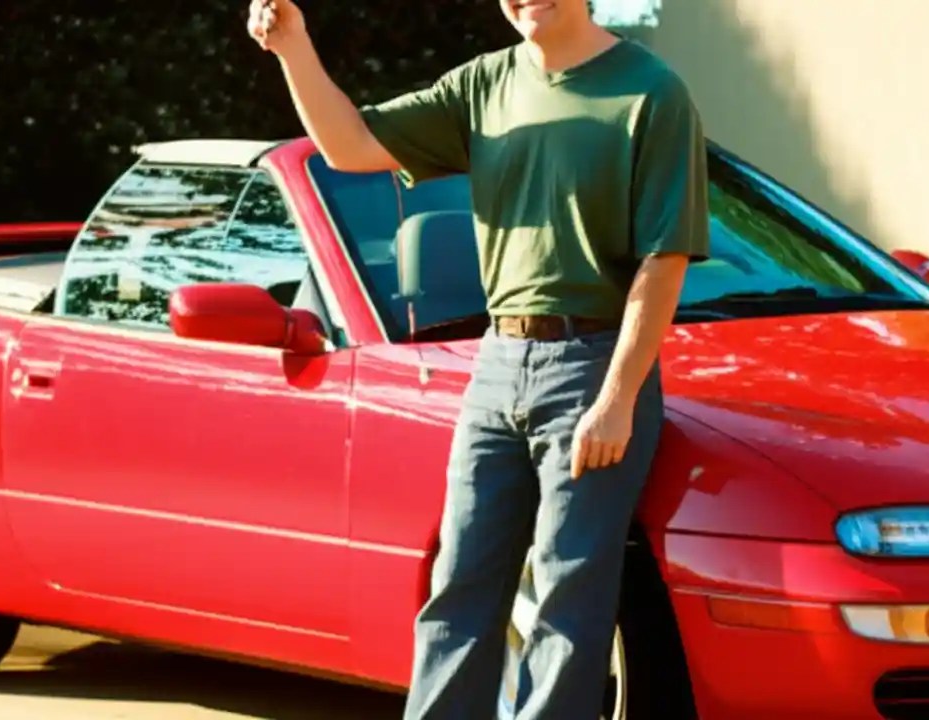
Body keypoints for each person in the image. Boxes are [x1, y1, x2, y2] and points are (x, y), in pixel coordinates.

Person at [247, 1, 709, 717]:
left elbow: (664, 256)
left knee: (568, 592)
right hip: (498, 362)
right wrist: (294, 50)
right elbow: (351, 147)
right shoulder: (482, 84)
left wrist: (617, 397)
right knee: (460, 583)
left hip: (592, 363)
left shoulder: (652, 91)